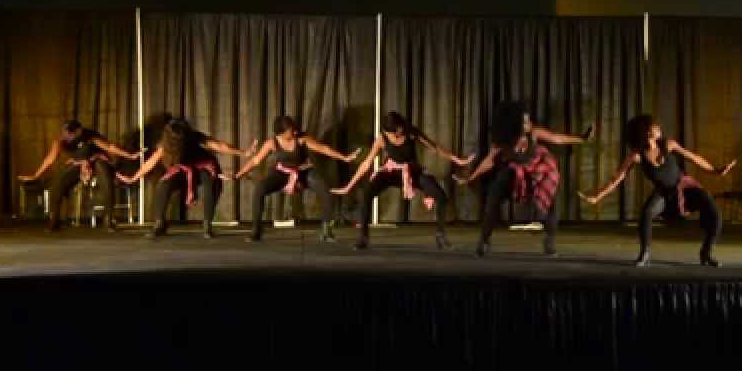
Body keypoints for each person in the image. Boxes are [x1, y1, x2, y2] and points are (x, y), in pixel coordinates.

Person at [579, 115, 733, 267]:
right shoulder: (637, 155)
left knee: (713, 210)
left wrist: (716, 170)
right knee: (647, 213)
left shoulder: (668, 144)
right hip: (664, 194)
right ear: (647, 132)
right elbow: (617, 179)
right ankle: (644, 254)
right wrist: (597, 197)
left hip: (685, 186)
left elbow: (694, 157)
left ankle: (706, 253)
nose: (659, 128)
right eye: (655, 126)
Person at [456, 101, 592, 258]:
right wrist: (471, 178)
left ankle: (549, 243)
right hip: (513, 174)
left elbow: (557, 138)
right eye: (525, 121)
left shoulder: (533, 133)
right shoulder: (504, 140)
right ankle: (484, 241)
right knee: (494, 197)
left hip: (535, 173)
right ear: (515, 124)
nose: (529, 124)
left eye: (528, 121)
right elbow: (489, 161)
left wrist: (582, 138)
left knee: (551, 204)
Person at [331, 111, 474, 250]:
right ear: (388, 131)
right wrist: (348, 187)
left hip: (411, 171)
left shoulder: (411, 132)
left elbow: (434, 147)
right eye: (395, 132)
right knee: (367, 194)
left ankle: (440, 235)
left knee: (441, 196)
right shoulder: (382, 139)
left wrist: (458, 160)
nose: (398, 133)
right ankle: (363, 237)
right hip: (391, 172)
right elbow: (366, 163)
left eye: (400, 129)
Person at [117, 118, 256, 239]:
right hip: (183, 170)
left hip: (203, 166)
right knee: (163, 184)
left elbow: (218, 145)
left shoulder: (193, 136)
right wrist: (134, 178)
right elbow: (149, 163)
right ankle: (159, 223)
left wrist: (243, 153)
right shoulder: (165, 145)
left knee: (210, 182)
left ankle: (207, 224)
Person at [235, 115, 361, 243]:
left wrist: (344, 158)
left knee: (325, 189)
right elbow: (255, 161)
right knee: (260, 189)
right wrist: (239, 174)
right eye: (291, 131)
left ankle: (326, 230)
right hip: (281, 173)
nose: (295, 132)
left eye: (294, 129)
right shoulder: (272, 143)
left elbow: (323, 149)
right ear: (281, 133)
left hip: (303, 172)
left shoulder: (301, 139)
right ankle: (256, 230)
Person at [18, 119, 139, 232]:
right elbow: (49, 160)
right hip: (79, 163)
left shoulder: (90, 136)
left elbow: (109, 147)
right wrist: (36, 175)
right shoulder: (61, 141)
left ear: (78, 131)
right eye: (66, 134)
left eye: (70, 134)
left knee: (103, 172)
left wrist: (130, 155)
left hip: (97, 161)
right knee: (59, 180)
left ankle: (109, 219)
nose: (67, 137)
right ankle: (54, 220)